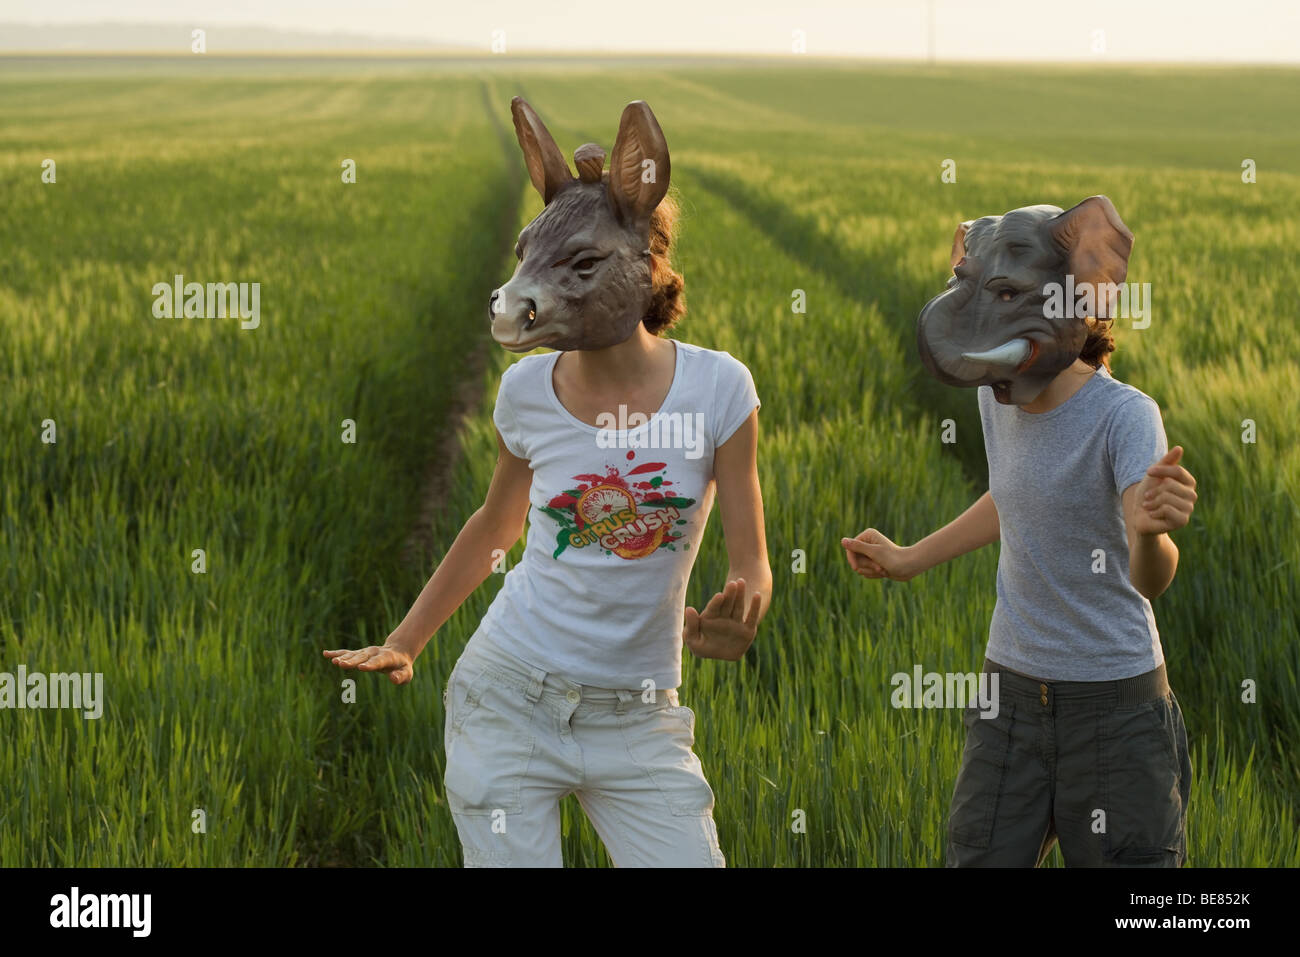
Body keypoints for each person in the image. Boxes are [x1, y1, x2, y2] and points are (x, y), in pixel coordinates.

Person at [326, 97, 771, 867]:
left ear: (641, 265)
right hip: (508, 694)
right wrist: (406, 640)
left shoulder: (720, 391)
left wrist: (745, 609)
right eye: (531, 259)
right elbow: (495, 525)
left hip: (638, 717)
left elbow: (751, 560)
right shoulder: (527, 390)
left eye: (584, 265)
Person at [845, 197, 1197, 866]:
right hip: (1008, 696)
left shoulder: (1126, 417)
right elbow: (1014, 494)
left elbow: (1148, 577)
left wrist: (1152, 532)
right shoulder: (997, 390)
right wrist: (910, 557)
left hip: (1113, 707)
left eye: (1008, 294)